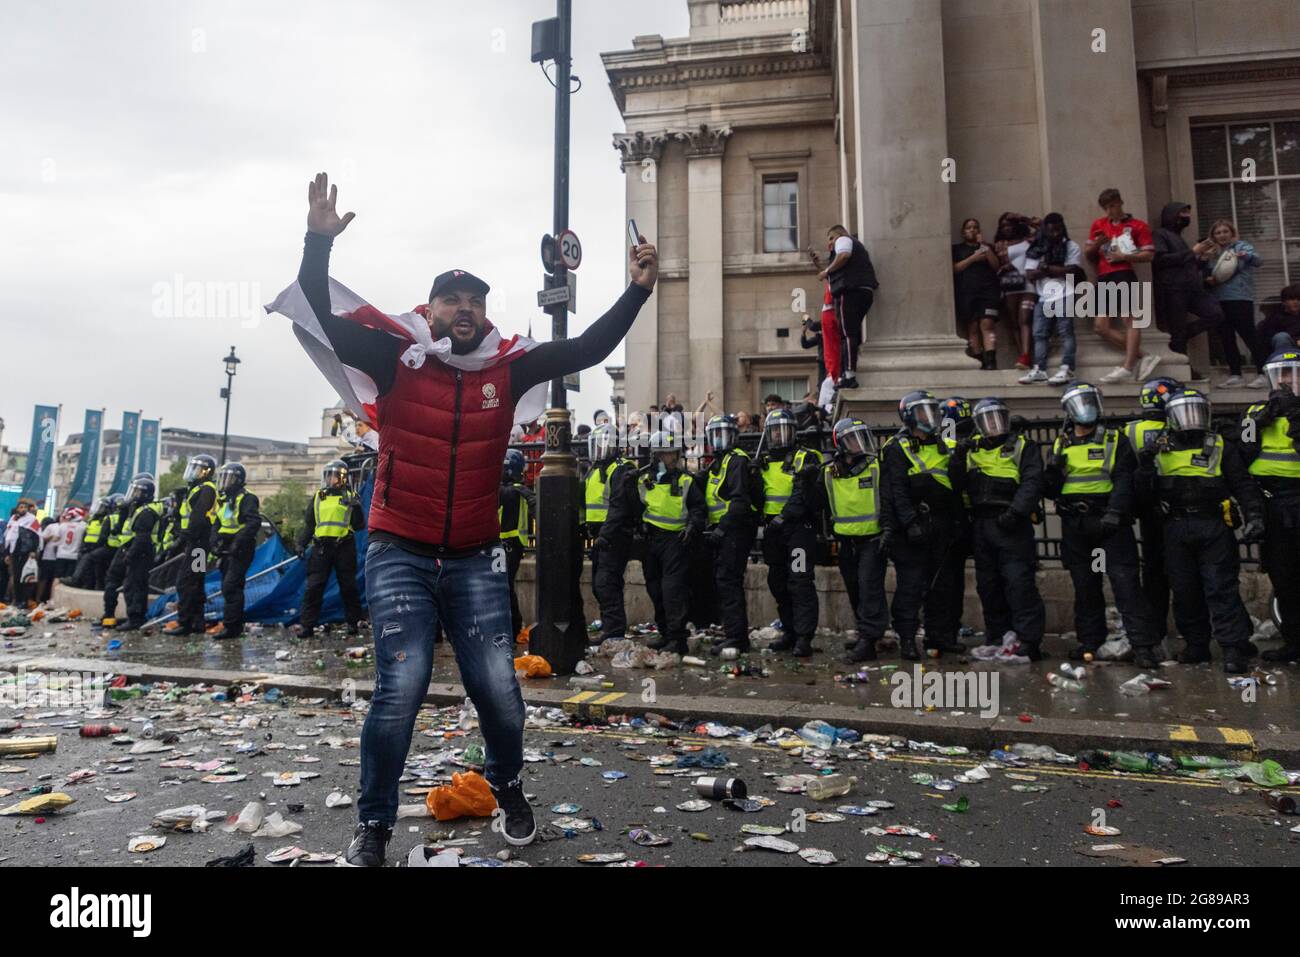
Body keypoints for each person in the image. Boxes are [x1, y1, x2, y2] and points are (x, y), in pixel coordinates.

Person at [287, 172, 657, 863]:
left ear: (485, 314)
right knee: (403, 683)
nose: (464, 308)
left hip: (474, 554)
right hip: (398, 545)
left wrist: (637, 288)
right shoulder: (395, 359)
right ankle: (373, 826)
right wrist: (317, 242)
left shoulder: (509, 370)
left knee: (497, 686)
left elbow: (587, 350)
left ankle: (508, 787)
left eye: (475, 301)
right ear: (428, 310)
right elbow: (318, 314)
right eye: (451, 298)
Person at [1135, 388, 1264, 673]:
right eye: (1185, 412)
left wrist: (1254, 515)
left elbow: (1243, 484)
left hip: (1213, 524)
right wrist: (1144, 468)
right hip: (1175, 526)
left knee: (1220, 587)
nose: (1192, 419)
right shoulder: (1160, 446)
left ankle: (1232, 647)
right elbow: (1143, 497)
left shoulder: (1219, 445)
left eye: (1197, 411)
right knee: (1184, 590)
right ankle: (1196, 645)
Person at [1043, 383, 1161, 666]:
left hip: (1108, 523)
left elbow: (1124, 479)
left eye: (1090, 402)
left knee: (1125, 584)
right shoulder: (1062, 443)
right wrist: (1053, 470)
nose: (1087, 409)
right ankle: (1090, 641)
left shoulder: (1114, 439)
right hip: (1077, 525)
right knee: (1086, 586)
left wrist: (1116, 512)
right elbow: (1050, 490)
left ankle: (1142, 646)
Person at [950, 398, 1046, 656]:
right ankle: (997, 636)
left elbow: (1032, 482)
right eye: (988, 420)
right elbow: (956, 484)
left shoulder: (1023, 446)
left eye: (998, 418)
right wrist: (958, 455)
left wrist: (1016, 512)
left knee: (1019, 582)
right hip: (982, 524)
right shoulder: (973, 449)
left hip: (1011, 523)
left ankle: (1028, 640)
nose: (994, 425)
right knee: (988, 585)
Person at [881, 391, 961, 660]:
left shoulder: (944, 444)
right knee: (911, 587)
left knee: (941, 585)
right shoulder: (896, 447)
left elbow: (954, 482)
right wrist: (909, 523)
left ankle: (939, 637)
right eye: (922, 413)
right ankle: (906, 639)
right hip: (912, 527)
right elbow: (896, 491)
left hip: (941, 523)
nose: (930, 418)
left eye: (932, 412)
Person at [614, 430, 704, 655]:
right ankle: (665, 633)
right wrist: (627, 487)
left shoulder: (685, 480)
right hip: (651, 541)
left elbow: (698, 509)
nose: (670, 459)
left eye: (673, 455)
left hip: (675, 541)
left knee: (672, 590)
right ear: (656, 456)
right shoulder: (644, 480)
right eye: (665, 455)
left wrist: (693, 525)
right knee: (655, 588)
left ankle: (677, 639)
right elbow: (635, 508)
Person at [1237, 346, 1300, 662]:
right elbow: (1242, 455)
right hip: (1273, 505)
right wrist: (1259, 423)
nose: (1287, 381)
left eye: (1293, 374)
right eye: (1282, 375)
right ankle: (1294, 642)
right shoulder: (1255, 411)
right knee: (1283, 577)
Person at [811, 417, 889, 662]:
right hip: (846, 541)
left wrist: (888, 528)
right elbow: (820, 501)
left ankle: (869, 640)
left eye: (861, 438)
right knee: (855, 588)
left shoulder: (876, 467)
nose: (859, 444)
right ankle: (867, 634)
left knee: (869, 588)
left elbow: (888, 499)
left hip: (872, 539)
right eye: (852, 439)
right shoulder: (831, 470)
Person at [755, 408, 823, 656]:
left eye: (785, 431)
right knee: (778, 581)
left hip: (798, 530)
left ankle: (804, 637)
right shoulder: (763, 461)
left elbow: (803, 495)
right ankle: (790, 631)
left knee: (800, 581)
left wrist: (786, 517)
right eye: (775, 432)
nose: (780, 437)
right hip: (773, 530)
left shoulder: (806, 457)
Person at [1124, 377, 1183, 648]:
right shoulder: (1178, 424)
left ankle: (1155, 629)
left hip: (1146, 506)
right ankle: (1189, 631)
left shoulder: (1130, 430)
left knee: (1153, 572)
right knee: (1183, 571)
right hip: (1176, 504)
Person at [1085, 188, 1160, 384]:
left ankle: (1127, 366)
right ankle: (1143, 355)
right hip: (1103, 275)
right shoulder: (1098, 225)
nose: (1109, 211)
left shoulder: (1138, 225)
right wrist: (1096, 244)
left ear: (1120, 203)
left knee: (1130, 319)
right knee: (1100, 327)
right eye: (1106, 207)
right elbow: (1088, 254)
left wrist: (1124, 256)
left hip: (1124, 273)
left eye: (1112, 205)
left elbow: (1149, 255)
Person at [696, 415, 756, 657]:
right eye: (715, 434)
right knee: (723, 582)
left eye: (724, 434)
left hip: (735, 530)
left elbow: (740, 500)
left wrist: (722, 528)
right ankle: (731, 631)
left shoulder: (737, 460)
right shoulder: (716, 463)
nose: (719, 440)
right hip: (723, 531)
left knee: (729, 582)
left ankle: (737, 638)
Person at [295, 459, 364, 639]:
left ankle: (352, 622)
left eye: (332, 476)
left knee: (348, 586)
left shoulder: (351, 496)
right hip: (321, 548)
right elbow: (310, 524)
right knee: (314, 587)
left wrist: (357, 508)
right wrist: (301, 543)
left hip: (344, 546)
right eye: (327, 475)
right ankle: (307, 626)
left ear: (341, 477)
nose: (329, 479)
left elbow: (359, 524)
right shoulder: (319, 496)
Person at [1152, 200, 1224, 362]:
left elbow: (1187, 265)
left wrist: (1203, 258)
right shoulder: (1160, 234)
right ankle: (1184, 368)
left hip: (1192, 289)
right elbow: (1160, 260)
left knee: (1215, 314)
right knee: (1177, 333)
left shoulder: (1179, 237)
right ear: (1172, 215)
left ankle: (1181, 334)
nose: (1187, 216)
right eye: (1183, 213)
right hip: (1173, 290)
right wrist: (1193, 252)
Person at [1018, 213, 1085, 386]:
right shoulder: (1037, 247)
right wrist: (1055, 269)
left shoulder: (1071, 246)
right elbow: (1030, 274)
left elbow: (1072, 271)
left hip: (1065, 293)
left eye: (1058, 230)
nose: (1055, 234)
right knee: (1039, 334)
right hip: (1043, 296)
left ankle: (1067, 368)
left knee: (1066, 332)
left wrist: (1046, 268)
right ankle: (1039, 369)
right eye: (1051, 231)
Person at [586, 426, 638, 645]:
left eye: (601, 444)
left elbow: (618, 505)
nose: (598, 449)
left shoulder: (621, 468)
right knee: (599, 585)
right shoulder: (595, 470)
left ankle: (614, 632)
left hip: (615, 535)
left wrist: (605, 535)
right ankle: (609, 627)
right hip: (600, 535)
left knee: (607, 582)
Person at [1203, 220, 1264, 388]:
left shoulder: (1242, 246)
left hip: (1240, 297)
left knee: (1248, 335)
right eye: (1218, 233)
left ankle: (1263, 373)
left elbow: (1258, 261)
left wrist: (1246, 255)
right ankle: (1235, 374)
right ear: (1213, 236)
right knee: (1226, 337)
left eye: (1225, 231)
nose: (1222, 235)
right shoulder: (1211, 252)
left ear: (1232, 233)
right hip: (1218, 298)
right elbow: (1206, 272)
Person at [163, 454, 218, 636]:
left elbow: (197, 517)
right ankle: (197, 622)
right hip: (196, 543)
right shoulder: (195, 489)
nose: (192, 472)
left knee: (186, 582)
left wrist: (183, 538)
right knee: (195, 582)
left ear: (205, 472)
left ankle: (185, 622)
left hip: (199, 544)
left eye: (196, 468)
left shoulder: (206, 489)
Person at [207, 463, 260, 641]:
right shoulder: (224, 498)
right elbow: (217, 523)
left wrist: (237, 542)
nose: (224, 482)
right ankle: (228, 623)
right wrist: (214, 542)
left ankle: (231, 626)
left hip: (237, 548)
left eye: (228, 478)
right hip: (219, 547)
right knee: (223, 585)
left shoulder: (245, 498)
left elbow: (252, 523)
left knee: (230, 586)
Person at [819, 225, 878, 388]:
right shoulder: (857, 248)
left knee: (847, 334)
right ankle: (849, 371)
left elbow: (844, 255)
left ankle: (849, 374)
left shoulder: (844, 240)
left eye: (831, 238)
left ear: (838, 234)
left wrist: (827, 270)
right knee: (851, 333)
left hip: (850, 291)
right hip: (863, 289)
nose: (830, 243)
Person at [101, 473, 161, 631]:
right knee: (119, 581)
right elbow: (122, 529)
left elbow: (142, 537)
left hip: (199, 547)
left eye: (137, 492)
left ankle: (136, 618)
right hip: (128, 548)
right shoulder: (135, 510)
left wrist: (131, 554)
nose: (134, 496)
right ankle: (110, 615)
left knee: (195, 579)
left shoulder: (147, 512)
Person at [952, 218, 1003, 370]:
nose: (972, 230)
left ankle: (991, 360)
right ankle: (978, 359)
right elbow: (955, 269)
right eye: (969, 227)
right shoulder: (957, 249)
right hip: (967, 293)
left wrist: (984, 247)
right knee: (972, 327)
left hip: (988, 292)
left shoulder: (986, 248)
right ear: (963, 231)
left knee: (987, 324)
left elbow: (996, 266)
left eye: (975, 227)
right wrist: (973, 258)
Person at [994, 212, 1038, 370]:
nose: (1007, 228)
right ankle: (1023, 356)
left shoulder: (1028, 240)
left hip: (1028, 285)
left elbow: (1043, 231)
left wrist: (1023, 218)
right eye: (1003, 226)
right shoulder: (1000, 244)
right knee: (1014, 323)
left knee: (1025, 319)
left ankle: (1027, 355)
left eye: (1010, 225)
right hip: (1010, 286)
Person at [498, 449, 534, 641]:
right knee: (504, 585)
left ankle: (512, 627)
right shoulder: (519, 490)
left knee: (504, 586)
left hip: (509, 543)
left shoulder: (511, 491)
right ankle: (513, 626)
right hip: (508, 544)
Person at [67, 499, 109, 589]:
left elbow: (104, 536)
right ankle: (85, 584)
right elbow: (86, 534)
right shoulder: (92, 520)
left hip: (99, 547)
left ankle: (76, 580)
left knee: (97, 569)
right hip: (88, 546)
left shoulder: (106, 519)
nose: (98, 509)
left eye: (101, 507)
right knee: (87, 568)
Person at [1256, 286, 1300, 365]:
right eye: (1292, 299)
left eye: (1299, 299)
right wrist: (1296, 341)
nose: (1296, 302)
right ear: (1284, 302)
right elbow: (1268, 337)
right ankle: (1284, 368)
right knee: (1281, 337)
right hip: (1287, 354)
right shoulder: (1275, 317)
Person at [54, 507, 87, 591]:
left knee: (57, 578)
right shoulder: (82, 527)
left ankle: (52, 598)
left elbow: (55, 539)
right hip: (74, 556)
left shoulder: (62, 526)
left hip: (61, 555)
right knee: (69, 579)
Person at [37, 516, 61, 605]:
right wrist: (51, 537)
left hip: (60, 557)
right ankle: (38, 599)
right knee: (44, 578)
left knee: (55, 579)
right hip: (48, 557)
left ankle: (51, 599)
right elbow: (41, 539)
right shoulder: (52, 527)